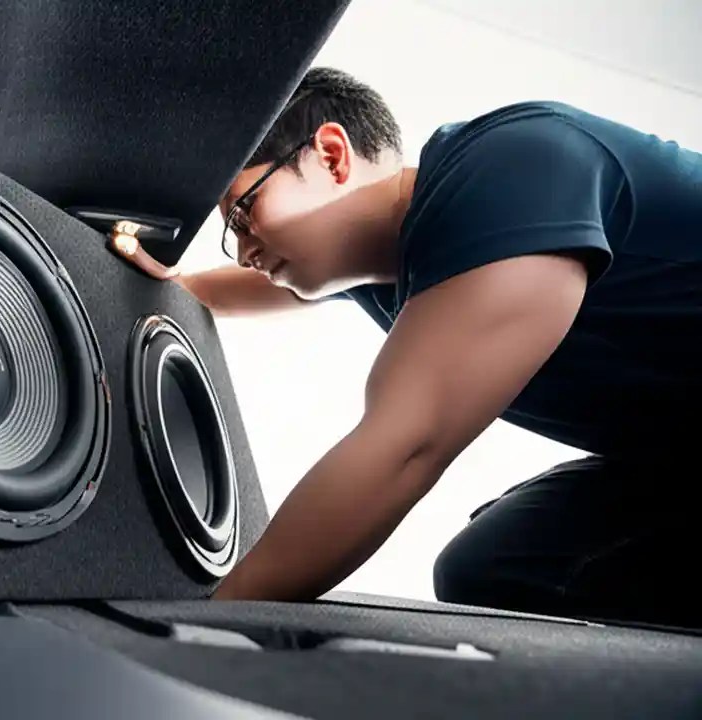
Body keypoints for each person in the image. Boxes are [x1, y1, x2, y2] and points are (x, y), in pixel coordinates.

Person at [125, 67, 702, 628]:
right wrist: (179, 289)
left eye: (245, 215)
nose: (243, 250)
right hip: (671, 459)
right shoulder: (394, 269)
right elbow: (275, 286)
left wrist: (209, 622)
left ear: (330, 156)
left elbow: (408, 444)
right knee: (491, 570)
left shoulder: (513, 171)